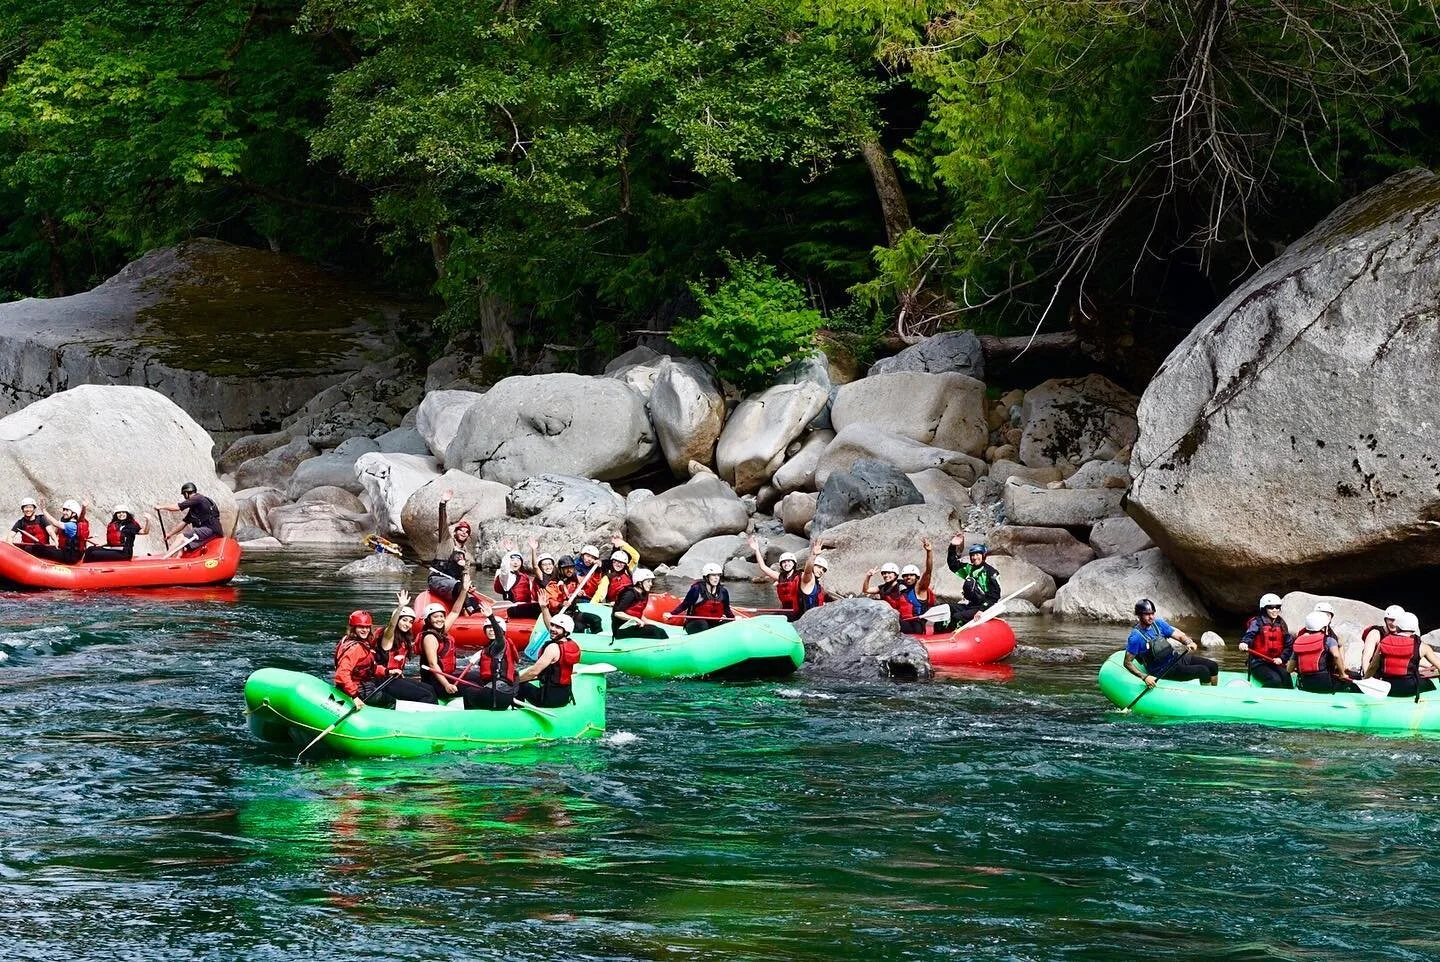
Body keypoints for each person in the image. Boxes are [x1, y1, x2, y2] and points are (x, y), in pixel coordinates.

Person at [1123, 599, 1217, 687]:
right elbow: (1127, 663)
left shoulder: (1158, 623)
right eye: (1147, 614)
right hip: (1162, 670)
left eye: (1152, 613)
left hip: (1175, 658)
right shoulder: (1136, 637)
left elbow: (1179, 636)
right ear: (1139, 615)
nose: (1151, 617)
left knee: (1213, 665)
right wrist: (1144, 677)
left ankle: (1215, 692)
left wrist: (1189, 642)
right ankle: (1210, 698)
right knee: (1203, 671)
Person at [373, 590, 437, 704]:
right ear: (397, 620)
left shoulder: (405, 640)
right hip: (382, 681)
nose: (407, 624)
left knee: (430, 689)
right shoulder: (388, 638)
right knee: (426, 695)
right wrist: (400, 607)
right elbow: (391, 626)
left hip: (394, 679)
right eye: (404, 620)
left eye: (410, 621)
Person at [418, 569, 472, 701]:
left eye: (441, 616)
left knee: (477, 676)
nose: (439, 619)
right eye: (435, 617)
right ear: (428, 620)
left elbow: (454, 611)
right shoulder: (430, 637)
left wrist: (464, 591)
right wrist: (447, 685)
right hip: (435, 682)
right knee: (472, 689)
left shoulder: (442, 630)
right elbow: (432, 665)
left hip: (446, 675)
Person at [427, 489, 481, 613]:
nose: (464, 532)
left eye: (466, 532)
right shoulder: (445, 540)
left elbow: (465, 575)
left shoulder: (465, 555)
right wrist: (443, 504)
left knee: (471, 598)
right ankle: (467, 612)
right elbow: (442, 522)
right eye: (461, 530)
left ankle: (473, 614)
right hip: (437, 579)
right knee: (458, 588)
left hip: (454, 583)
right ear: (455, 532)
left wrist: (469, 586)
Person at [455, 608, 519, 710]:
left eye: (493, 628)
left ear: (502, 631)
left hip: (496, 695)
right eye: (488, 628)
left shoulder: (499, 645)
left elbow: (499, 638)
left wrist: (491, 617)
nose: (491, 630)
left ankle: (472, 720)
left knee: (468, 692)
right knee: (476, 683)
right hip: (504, 695)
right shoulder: (491, 648)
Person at [517, 612, 582, 708]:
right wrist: (544, 608)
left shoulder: (553, 648)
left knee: (519, 685)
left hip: (547, 699)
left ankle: (517, 711)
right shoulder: (571, 645)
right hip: (564, 697)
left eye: (558, 627)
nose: (553, 629)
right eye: (552, 625)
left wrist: (514, 681)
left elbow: (533, 672)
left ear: (566, 632)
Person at [1370, 612, 1440, 698]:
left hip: (1387, 687)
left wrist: (1366, 680)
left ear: (1398, 626)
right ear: (1415, 627)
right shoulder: (1422, 646)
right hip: (1410, 687)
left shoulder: (1383, 642)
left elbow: (1373, 667)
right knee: (1430, 684)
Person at [1290, 610, 1360, 694]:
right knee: (1356, 676)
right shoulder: (1329, 640)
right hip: (1325, 684)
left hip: (1304, 684)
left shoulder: (1299, 641)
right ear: (1324, 627)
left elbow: (1289, 669)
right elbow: (1336, 656)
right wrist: (1342, 674)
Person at [1239, 593, 1293, 689]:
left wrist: (1282, 658)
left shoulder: (1282, 624)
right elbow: (1249, 636)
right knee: (1275, 680)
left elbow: (1289, 645)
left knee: (1287, 679)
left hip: (1275, 661)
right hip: (1258, 663)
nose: (1275, 610)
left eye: (1277, 607)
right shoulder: (1257, 623)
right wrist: (1244, 643)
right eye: (1271, 608)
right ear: (1264, 609)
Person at [156, 483, 221, 554]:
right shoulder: (196, 507)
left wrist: (162, 507)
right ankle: (178, 558)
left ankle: (165, 557)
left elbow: (178, 507)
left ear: (186, 493)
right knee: (183, 540)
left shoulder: (197, 498)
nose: (184, 497)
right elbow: (184, 522)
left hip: (210, 530)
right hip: (212, 530)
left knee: (180, 537)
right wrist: (170, 534)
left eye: (184, 495)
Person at [947, 538, 1001, 626]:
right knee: (947, 608)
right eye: (972, 555)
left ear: (983, 555)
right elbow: (953, 564)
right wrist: (952, 546)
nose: (975, 557)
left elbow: (994, 596)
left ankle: (953, 634)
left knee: (957, 617)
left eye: (977, 554)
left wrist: (981, 610)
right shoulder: (969, 568)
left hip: (983, 607)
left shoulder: (991, 572)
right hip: (971, 605)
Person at [670, 563, 734, 633]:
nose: (716, 578)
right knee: (703, 624)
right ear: (706, 577)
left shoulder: (723, 592)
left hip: (713, 624)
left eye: (718, 575)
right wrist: (671, 614)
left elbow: (726, 609)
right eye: (713, 575)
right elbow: (684, 605)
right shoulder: (696, 589)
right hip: (695, 624)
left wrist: (733, 619)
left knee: (730, 623)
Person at [889, 539, 935, 634]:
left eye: (911, 575)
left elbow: (928, 571)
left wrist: (929, 552)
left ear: (917, 577)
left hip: (917, 624)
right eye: (906, 575)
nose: (908, 577)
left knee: (893, 625)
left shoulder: (921, 588)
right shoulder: (902, 590)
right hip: (905, 623)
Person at [749, 535, 801, 619]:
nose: (786, 564)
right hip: (785, 611)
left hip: (798, 611)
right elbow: (763, 567)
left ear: (794, 563)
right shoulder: (780, 577)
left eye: (789, 562)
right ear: (781, 565)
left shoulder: (800, 577)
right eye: (784, 562)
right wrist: (756, 550)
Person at [548, 555, 602, 633]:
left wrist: (597, 570)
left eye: (571, 568)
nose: (569, 570)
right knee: (579, 627)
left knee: (596, 619)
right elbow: (550, 600)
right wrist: (560, 604)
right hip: (561, 615)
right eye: (566, 568)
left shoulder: (575, 579)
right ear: (560, 569)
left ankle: (598, 639)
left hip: (574, 612)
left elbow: (591, 584)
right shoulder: (553, 583)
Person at [613, 568, 669, 639]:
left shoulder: (643, 594)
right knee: (656, 632)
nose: (651, 584)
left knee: (660, 630)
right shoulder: (629, 594)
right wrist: (635, 619)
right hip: (621, 629)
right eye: (648, 581)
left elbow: (639, 615)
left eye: (651, 581)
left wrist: (659, 624)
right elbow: (617, 613)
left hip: (633, 626)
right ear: (639, 582)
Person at [492, 539, 540, 619]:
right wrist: (509, 552)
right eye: (512, 560)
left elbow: (532, 594)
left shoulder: (525, 576)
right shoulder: (506, 577)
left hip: (524, 606)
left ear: (521, 563)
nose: (515, 562)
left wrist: (533, 550)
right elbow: (504, 568)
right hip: (513, 609)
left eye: (518, 560)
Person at [82, 506, 150, 562]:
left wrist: (148, 520)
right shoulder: (114, 524)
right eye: (119, 513)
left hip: (124, 553)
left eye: (123, 512)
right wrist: (102, 545)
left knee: (94, 554)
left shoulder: (131, 525)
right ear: (116, 515)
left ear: (127, 514)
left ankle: (88, 570)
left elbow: (145, 532)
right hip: (114, 549)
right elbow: (113, 542)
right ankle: (84, 566)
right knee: (90, 549)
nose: (121, 514)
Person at [592, 533, 640, 603]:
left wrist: (623, 544)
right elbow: (600, 594)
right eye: (615, 561)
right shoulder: (607, 577)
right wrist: (592, 603)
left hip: (630, 600)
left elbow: (636, 556)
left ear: (625, 564)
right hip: (615, 603)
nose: (618, 564)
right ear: (612, 562)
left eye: (621, 563)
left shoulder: (628, 569)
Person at [1360, 605, 1405, 677]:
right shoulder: (1375, 633)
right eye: (1390, 619)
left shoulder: (1402, 635)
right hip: (1374, 673)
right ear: (1385, 620)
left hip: (1392, 674)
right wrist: (1367, 676)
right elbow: (1366, 657)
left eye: (1396, 620)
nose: (1393, 623)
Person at [47, 500, 90, 564]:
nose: (64, 512)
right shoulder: (66, 522)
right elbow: (55, 532)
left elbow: (55, 523)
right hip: (66, 552)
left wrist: (44, 511)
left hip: (70, 556)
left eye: (67, 510)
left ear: (74, 514)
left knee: (43, 550)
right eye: (64, 510)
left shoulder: (72, 525)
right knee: (47, 548)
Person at [795, 543, 829, 616]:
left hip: (813, 620)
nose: (821, 571)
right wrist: (813, 555)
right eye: (819, 567)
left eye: (823, 570)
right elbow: (807, 572)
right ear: (813, 566)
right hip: (804, 621)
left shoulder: (818, 585)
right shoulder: (808, 579)